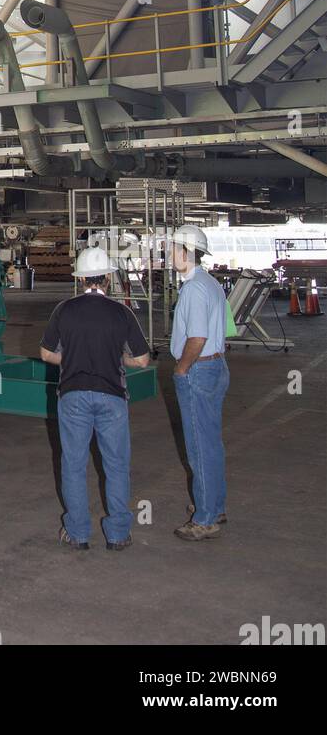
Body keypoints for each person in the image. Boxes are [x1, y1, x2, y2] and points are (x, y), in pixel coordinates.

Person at [40, 246, 151, 551]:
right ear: (107, 279)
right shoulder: (122, 313)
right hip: (112, 397)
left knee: (74, 465)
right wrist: (119, 359)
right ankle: (117, 534)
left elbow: (47, 353)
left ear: (81, 280)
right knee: (116, 465)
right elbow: (142, 360)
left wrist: (71, 358)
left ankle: (77, 533)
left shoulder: (64, 310)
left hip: (73, 395)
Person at [169, 225, 229, 541]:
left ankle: (204, 519)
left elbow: (197, 337)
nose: (169, 254)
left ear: (184, 252)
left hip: (199, 370)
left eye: (173, 248)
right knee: (211, 442)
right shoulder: (210, 282)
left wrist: (182, 368)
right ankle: (215, 505)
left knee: (198, 449)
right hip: (217, 366)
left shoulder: (193, 289)